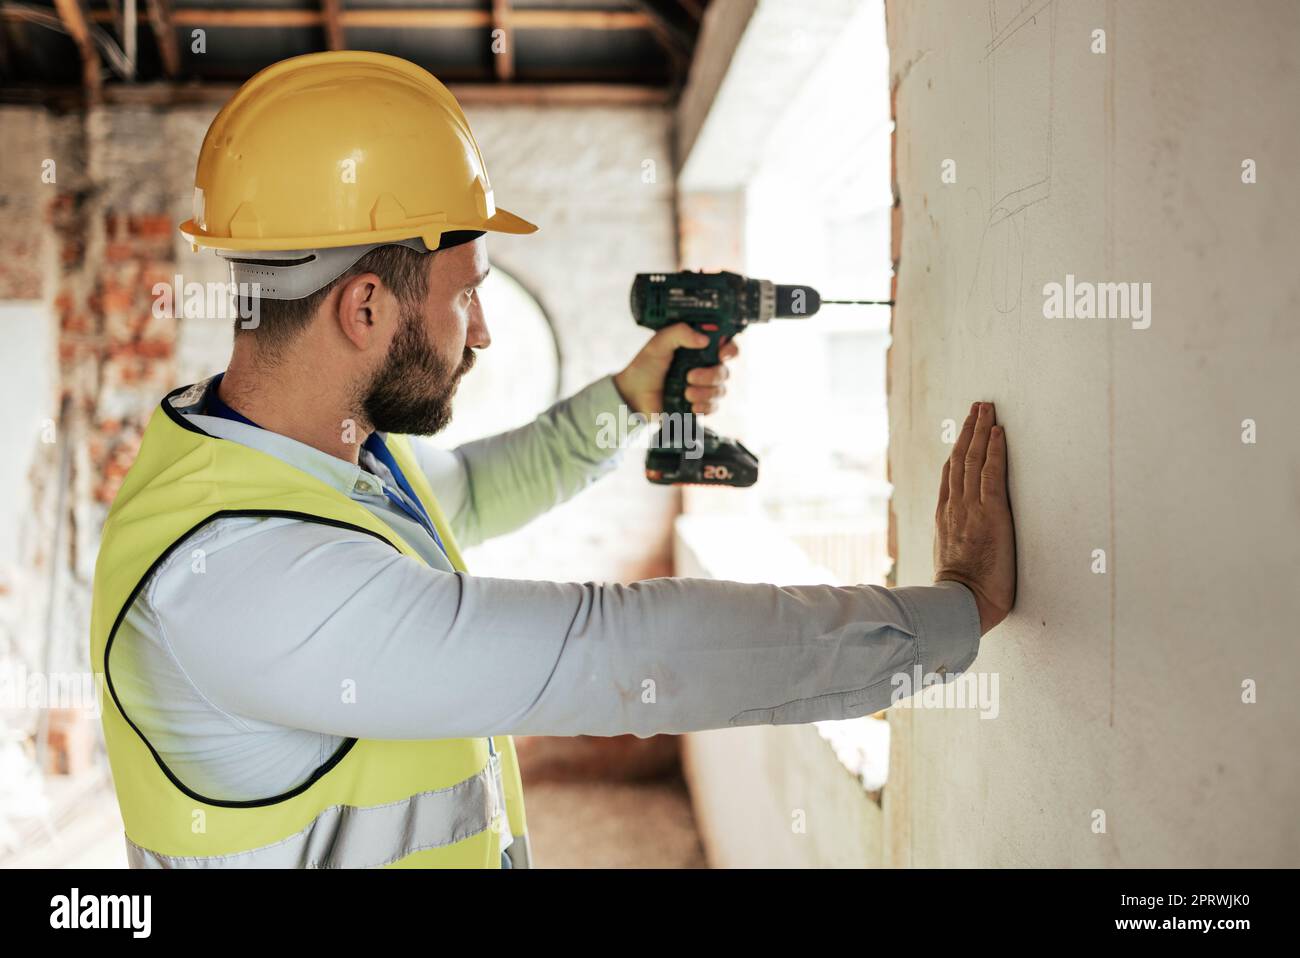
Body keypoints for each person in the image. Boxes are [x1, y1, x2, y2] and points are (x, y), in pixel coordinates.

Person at [90, 51, 1015, 869]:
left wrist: (630, 399)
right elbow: (619, 653)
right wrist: (953, 613)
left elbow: (476, 488)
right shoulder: (246, 578)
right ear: (364, 307)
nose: (482, 333)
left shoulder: (297, 455)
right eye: (467, 297)